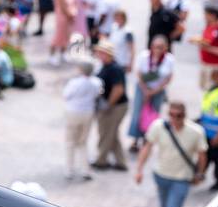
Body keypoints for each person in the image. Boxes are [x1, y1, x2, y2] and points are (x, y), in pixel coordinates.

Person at [135, 101, 206, 207]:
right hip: (161, 175)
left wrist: (199, 173)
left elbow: (202, 155)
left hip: (181, 179)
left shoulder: (196, 131)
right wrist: (139, 170)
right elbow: (147, 147)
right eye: (171, 115)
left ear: (184, 115)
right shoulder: (159, 126)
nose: (174, 119)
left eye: (178, 115)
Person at [127, 35, 174, 154]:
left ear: (165, 48)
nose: (157, 50)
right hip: (142, 88)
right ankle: (135, 139)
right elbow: (139, 73)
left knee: (153, 114)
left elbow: (168, 78)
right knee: (138, 112)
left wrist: (154, 91)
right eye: (156, 47)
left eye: (161, 47)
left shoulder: (169, 59)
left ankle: (147, 138)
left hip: (158, 90)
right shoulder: (144, 56)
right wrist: (145, 90)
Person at [91, 40, 129, 171]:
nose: (99, 55)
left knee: (106, 133)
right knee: (112, 134)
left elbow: (118, 90)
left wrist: (108, 105)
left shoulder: (114, 69)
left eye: (102, 53)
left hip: (116, 106)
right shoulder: (105, 66)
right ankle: (121, 161)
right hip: (112, 104)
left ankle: (101, 160)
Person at [61, 59, 102, 181]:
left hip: (73, 112)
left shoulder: (74, 82)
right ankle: (85, 170)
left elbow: (66, 95)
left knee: (70, 142)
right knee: (82, 142)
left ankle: (69, 170)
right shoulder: (96, 82)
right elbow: (97, 94)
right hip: (88, 113)